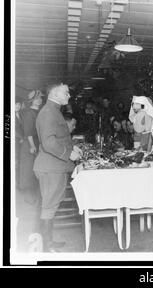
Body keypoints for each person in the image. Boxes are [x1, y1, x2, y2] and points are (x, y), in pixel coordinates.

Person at [33, 83, 82, 252]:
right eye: (66, 93)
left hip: (54, 166)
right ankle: (47, 248)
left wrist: (71, 148)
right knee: (48, 207)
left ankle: (50, 242)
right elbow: (49, 143)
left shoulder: (53, 111)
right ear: (55, 94)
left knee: (52, 206)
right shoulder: (48, 113)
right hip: (50, 167)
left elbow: (58, 138)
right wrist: (68, 154)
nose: (69, 96)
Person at [19, 90, 44, 205]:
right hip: (30, 144)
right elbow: (28, 131)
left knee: (35, 170)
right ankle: (29, 198)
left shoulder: (38, 111)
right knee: (28, 171)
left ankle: (35, 197)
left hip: (36, 142)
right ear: (31, 100)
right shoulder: (29, 112)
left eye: (40, 98)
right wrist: (32, 146)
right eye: (37, 98)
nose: (39, 100)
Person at [15, 97, 24, 189]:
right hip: (15, 142)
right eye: (16, 104)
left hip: (21, 142)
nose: (18, 106)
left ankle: (19, 183)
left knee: (20, 162)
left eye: (19, 104)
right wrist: (21, 138)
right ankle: (16, 183)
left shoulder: (20, 114)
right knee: (16, 162)